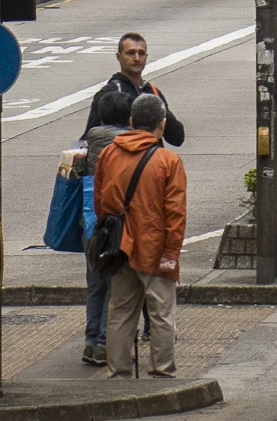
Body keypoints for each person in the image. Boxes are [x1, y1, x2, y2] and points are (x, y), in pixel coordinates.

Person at [78, 34, 185, 365]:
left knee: (123, 299)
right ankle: (110, 349)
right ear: (119, 57)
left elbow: (178, 135)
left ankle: (119, 365)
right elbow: (93, 164)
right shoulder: (109, 97)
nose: (136, 58)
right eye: (130, 53)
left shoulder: (151, 92)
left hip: (130, 215)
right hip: (128, 220)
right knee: (122, 294)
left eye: (141, 53)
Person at [95, 91, 186, 379]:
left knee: (120, 311)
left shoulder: (109, 153)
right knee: (161, 314)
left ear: (132, 121)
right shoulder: (168, 161)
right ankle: (161, 371)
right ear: (161, 125)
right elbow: (175, 213)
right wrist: (171, 253)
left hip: (119, 246)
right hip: (155, 248)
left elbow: (100, 202)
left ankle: (118, 372)